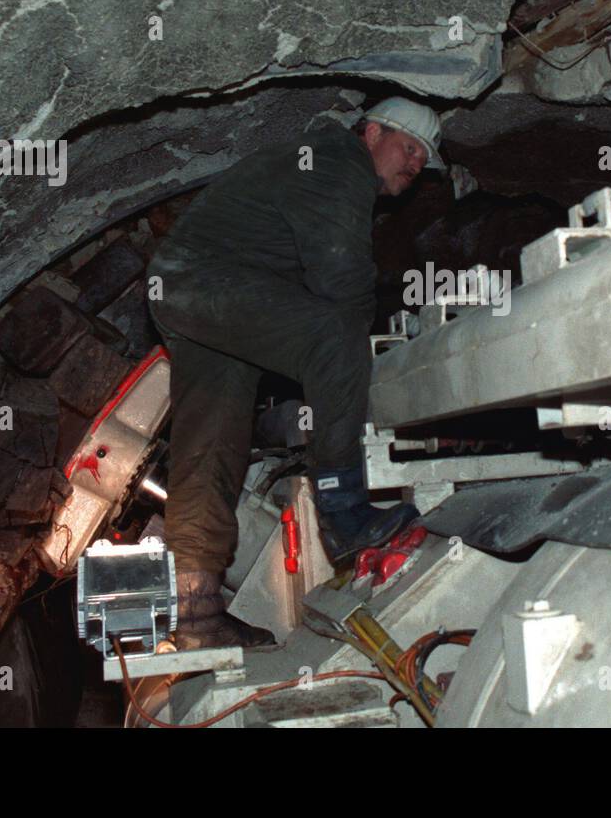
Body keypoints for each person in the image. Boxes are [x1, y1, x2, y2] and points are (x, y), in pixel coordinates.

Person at [146, 97, 444, 649]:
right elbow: (339, 273)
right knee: (336, 336)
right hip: (208, 284)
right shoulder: (339, 159)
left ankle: (194, 612)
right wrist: (361, 364)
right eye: (408, 147)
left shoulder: (318, 164)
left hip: (192, 290)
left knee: (211, 447)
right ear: (372, 133)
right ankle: (343, 510)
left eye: (424, 159)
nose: (415, 164)